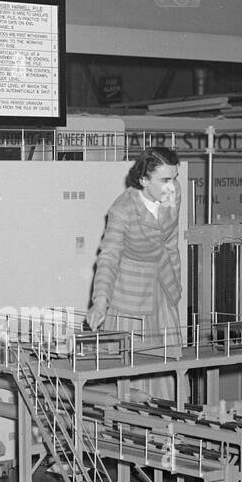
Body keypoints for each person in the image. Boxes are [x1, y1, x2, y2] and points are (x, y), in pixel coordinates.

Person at [88, 146, 183, 345]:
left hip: (163, 286)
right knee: (133, 362)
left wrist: (176, 285)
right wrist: (100, 302)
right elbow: (109, 257)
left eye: (174, 177)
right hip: (129, 295)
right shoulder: (122, 211)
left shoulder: (174, 193)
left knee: (170, 360)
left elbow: (171, 242)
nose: (172, 186)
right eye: (165, 180)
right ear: (143, 181)